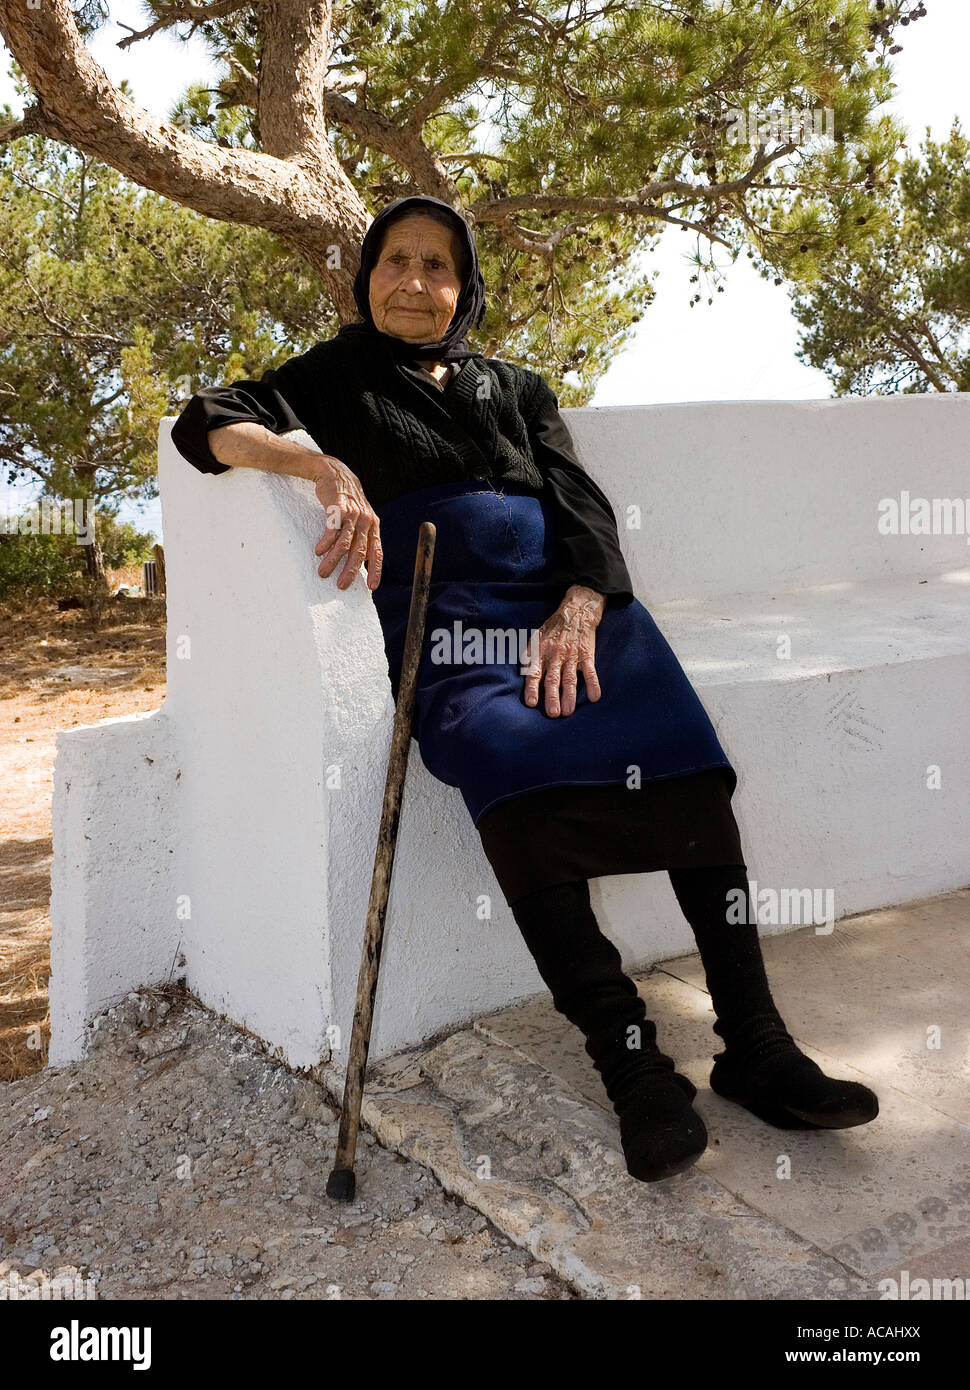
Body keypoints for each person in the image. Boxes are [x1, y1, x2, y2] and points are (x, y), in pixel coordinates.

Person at [171, 193, 879, 1183]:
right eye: (395, 261)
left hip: (567, 612)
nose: (413, 282)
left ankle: (756, 1045)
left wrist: (584, 599)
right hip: (445, 620)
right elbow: (206, 421)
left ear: (463, 290)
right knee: (509, 768)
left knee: (680, 754)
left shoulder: (516, 386)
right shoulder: (328, 377)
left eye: (437, 266)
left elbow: (576, 498)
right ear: (367, 273)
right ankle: (633, 1068)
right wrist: (322, 465)